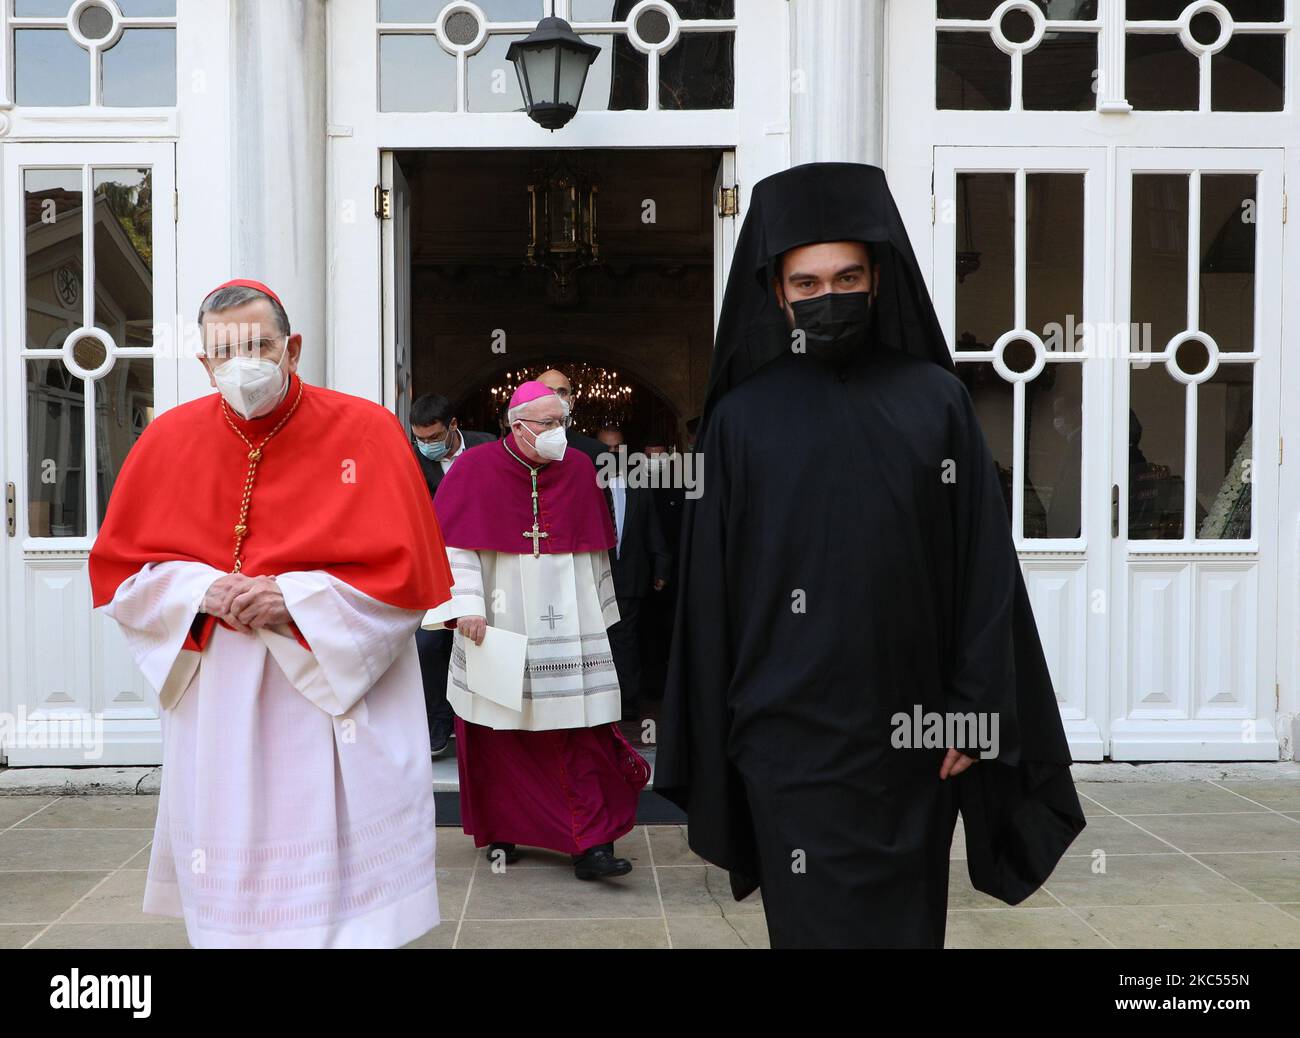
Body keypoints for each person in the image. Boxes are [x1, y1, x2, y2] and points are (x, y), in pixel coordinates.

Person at [655, 163, 1086, 949]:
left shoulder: (937, 402)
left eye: (847, 275)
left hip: (916, 738)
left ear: (879, 278)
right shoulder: (740, 423)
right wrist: (719, 736)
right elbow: (709, 598)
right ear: (777, 293)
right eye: (808, 280)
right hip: (785, 740)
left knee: (907, 928)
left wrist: (976, 710)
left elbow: (983, 573)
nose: (829, 295)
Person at [88, 279, 454, 948]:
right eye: (223, 352)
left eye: (258, 345)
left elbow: (410, 580)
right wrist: (197, 589)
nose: (242, 363)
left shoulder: (366, 430)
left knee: (336, 864)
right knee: (233, 849)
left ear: (293, 348)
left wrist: (298, 598)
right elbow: (121, 576)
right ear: (202, 361)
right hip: (223, 687)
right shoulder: (168, 439)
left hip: (328, 682)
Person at [424, 381, 650, 880]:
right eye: (548, 424)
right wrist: (465, 606)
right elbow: (455, 548)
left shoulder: (580, 469)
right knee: (498, 732)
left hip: (570, 628)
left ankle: (591, 845)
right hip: (497, 625)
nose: (558, 433)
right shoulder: (474, 469)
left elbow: (594, 551)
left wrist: (601, 615)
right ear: (517, 425)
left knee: (580, 730)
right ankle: (504, 830)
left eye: (562, 422)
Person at [409, 393, 494, 756]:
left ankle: (485, 731)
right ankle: (437, 723)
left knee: (484, 644)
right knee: (429, 646)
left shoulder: (486, 448)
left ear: (453, 426)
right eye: (420, 438)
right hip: (435, 564)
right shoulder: (410, 458)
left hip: (484, 559)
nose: (426, 445)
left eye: (433, 437)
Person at [595, 426, 671, 721]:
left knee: (625, 639)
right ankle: (600, 699)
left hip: (630, 575)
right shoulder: (585, 484)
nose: (613, 454)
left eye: (618, 449)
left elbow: (652, 528)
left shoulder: (638, 484)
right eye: (607, 449)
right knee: (598, 639)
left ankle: (626, 700)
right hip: (593, 577)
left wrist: (661, 566)